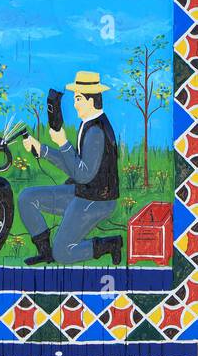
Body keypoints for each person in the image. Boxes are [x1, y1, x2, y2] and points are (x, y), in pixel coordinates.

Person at [19, 71, 123, 265]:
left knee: (63, 253)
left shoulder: (96, 131)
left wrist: (63, 143)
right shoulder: (88, 124)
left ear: (91, 101)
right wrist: (42, 150)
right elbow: (74, 164)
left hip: (97, 200)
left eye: (78, 99)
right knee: (27, 198)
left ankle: (110, 244)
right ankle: (45, 251)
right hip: (82, 192)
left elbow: (82, 174)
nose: (74, 104)